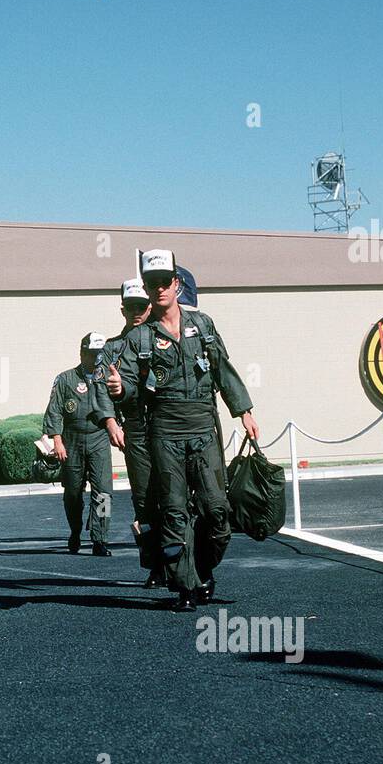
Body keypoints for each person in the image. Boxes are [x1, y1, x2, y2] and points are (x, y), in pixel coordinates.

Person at [108, 251, 259, 611]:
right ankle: (186, 586)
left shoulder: (203, 325)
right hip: (165, 431)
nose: (159, 289)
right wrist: (120, 388)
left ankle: (202, 569)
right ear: (145, 289)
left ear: (177, 284)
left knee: (216, 510)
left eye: (165, 282)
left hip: (204, 428)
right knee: (174, 511)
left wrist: (244, 410)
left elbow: (223, 369)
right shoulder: (140, 339)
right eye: (152, 284)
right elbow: (128, 384)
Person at [44, 332, 125, 556]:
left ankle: (100, 538)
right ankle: (75, 530)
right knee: (72, 493)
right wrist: (57, 441)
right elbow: (55, 410)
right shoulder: (65, 379)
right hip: (72, 440)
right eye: (92, 353)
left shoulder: (109, 378)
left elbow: (121, 406)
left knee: (104, 492)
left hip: (98, 439)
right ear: (82, 353)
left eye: (100, 354)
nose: (96, 358)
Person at [101, 279, 157, 585]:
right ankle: (155, 565)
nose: (136, 312)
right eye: (130, 307)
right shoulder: (112, 347)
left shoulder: (163, 338)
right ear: (123, 310)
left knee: (175, 499)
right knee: (145, 499)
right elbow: (100, 388)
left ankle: (181, 562)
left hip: (166, 426)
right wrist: (111, 422)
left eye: (141, 307)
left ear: (149, 307)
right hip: (134, 428)